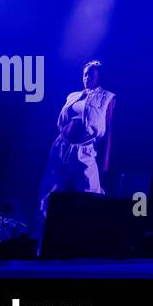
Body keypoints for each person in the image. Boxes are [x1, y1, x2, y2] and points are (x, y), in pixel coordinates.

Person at [39, 60, 115, 216]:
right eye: (85, 74)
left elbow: (108, 130)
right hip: (62, 146)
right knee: (53, 187)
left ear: (99, 76)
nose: (87, 78)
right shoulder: (73, 96)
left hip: (85, 150)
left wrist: (106, 159)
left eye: (91, 75)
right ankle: (47, 226)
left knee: (91, 191)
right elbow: (63, 121)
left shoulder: (107, 97)